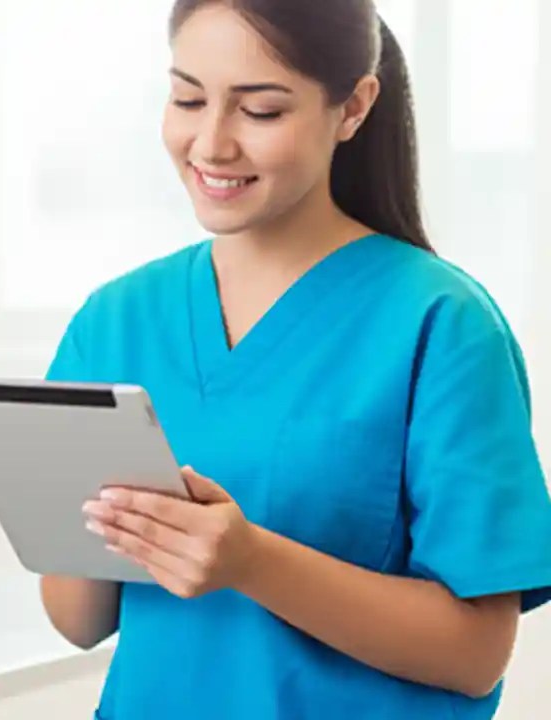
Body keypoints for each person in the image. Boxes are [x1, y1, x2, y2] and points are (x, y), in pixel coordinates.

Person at [38, 1, 551, 718]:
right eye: (188, 98)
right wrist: (95, 514)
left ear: (353, 107)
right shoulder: (115, 321)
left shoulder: (443, 325)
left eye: (262, 111)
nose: (211, 144)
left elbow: (474, 656)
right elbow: (78, 620)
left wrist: (250, 561)